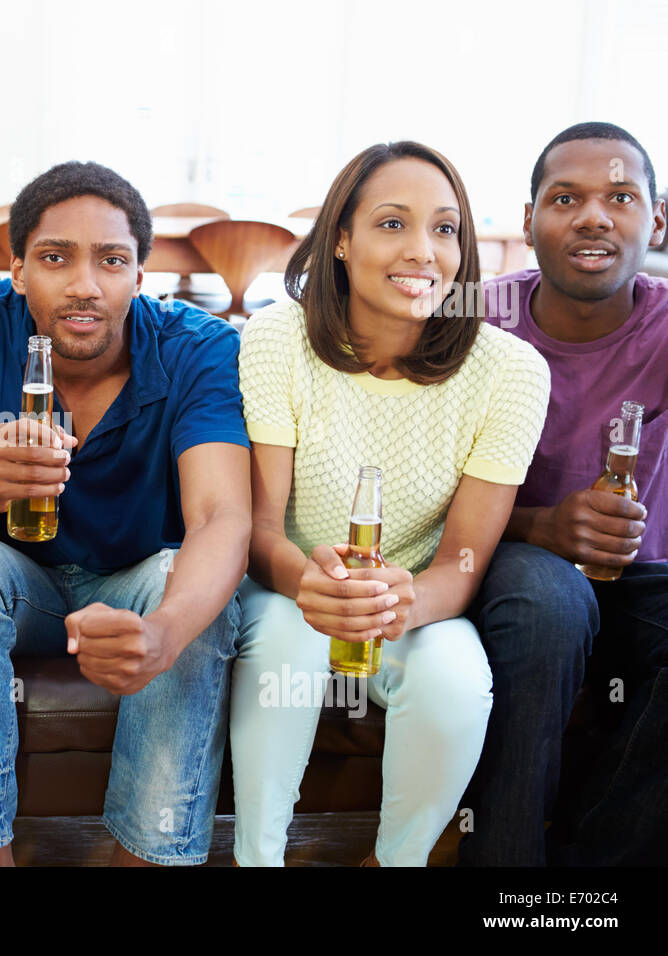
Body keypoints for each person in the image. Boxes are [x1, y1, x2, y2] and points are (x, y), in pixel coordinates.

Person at [0, 161, 250, 867]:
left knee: (188, 580)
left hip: (134, 583)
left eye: (112, 260)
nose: (85, 285)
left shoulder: (199, 347)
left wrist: (163, 633)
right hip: (18, 580)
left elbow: (221, 517)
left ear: (140, 276)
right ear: (19, 270)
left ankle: (146, 858)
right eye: (55, 258)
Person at [229, 142, 551, 866]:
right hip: (290, 586)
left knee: (458, 683)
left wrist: (398, 602)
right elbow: (259, 529)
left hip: (413, 599)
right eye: (391, 224)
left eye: (444, 229)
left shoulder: (510, 372)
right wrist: (310, 584)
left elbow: (464, 562)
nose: (423, 252)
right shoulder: (279, 337)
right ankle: (259, 858)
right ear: (340, 240)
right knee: (288, 644)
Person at [461, 121, 668, 866]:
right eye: (565, 197)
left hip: (643, 577)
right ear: (528, 222)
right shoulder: (476, 320)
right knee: (549, 605)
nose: (593, 216)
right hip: (511, 563)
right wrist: (542, 525)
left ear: (657, 220)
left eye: (621, 196)